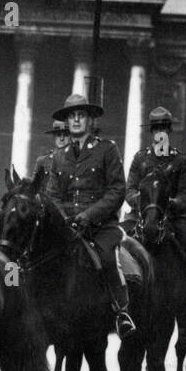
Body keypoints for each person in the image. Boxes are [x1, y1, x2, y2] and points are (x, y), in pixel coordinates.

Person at [41, 89, 135, 338]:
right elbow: (52, 196)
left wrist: (88, 216)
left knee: (106, 258)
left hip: (99, 226)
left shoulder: (107, 150)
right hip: (68, 227)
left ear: (90, 120)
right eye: (71, 116)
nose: (75, 120)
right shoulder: (59, 157)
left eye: (80, 115)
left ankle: (120, 310)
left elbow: (117, 190)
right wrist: (63, 219)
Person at [124, 105, 186, 268]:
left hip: (171, 216)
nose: (160, 132)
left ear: (169, 130)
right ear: (151, 132)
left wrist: (174, 202)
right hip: (141, 216)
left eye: (163, 128)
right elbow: (130, 190)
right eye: (156, 129)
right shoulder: (140, 159)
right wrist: (141, 202)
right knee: (119, 238)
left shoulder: (179, 160)